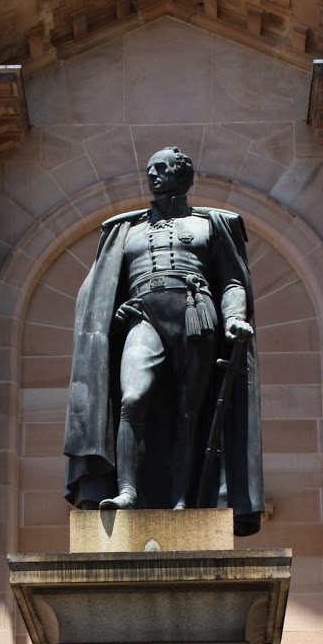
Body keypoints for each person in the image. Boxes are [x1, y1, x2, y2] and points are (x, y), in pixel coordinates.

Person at [63, 148, 264, 536]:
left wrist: (235, 317)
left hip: (196, 318)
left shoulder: (211, 226)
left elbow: (233, 281)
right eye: (150, 169)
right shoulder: (126, 231)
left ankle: (182, 500)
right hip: (144, 318)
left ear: (182, 175)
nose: (153, 175)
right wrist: (114, 316)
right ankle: (126, 491)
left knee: (189, 415)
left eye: (162, 168)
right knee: (133, 398)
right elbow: (106, 289)